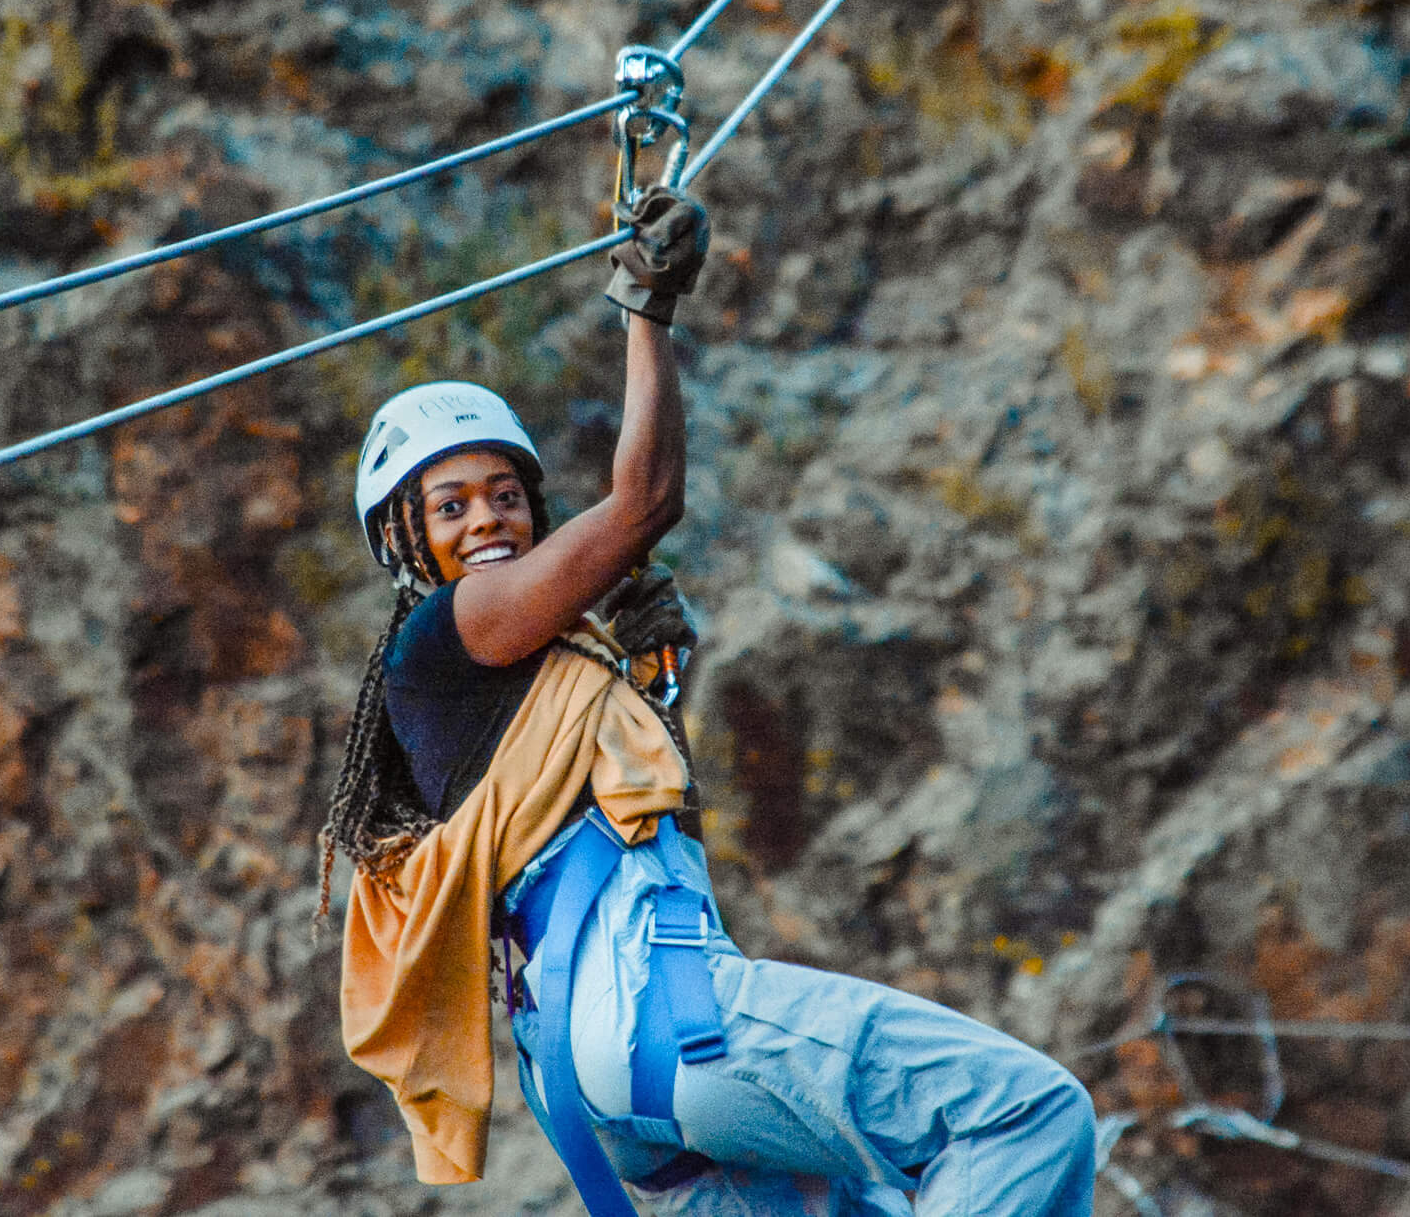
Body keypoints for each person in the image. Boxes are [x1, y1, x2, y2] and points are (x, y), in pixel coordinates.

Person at [319, 188, 1097, 1215]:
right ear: (402, 544)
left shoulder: (536, 682)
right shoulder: (443, 634)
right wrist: (646, 311)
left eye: (506, 494)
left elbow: (641, 824)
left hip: (612, 1066)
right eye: (449, 506)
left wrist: (649, 683)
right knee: (1025, 1116)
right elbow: (644, 504)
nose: (487, 520)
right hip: (660, 1017)